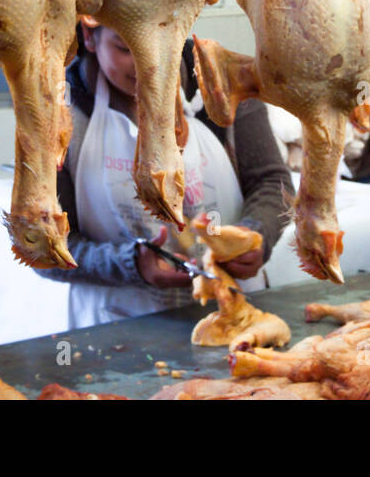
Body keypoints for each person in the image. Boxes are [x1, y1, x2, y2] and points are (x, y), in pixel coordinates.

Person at [39, 21, 295, 326]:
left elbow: (273, 182)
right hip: (115, 329)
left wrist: (256, 236)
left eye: (164, 45)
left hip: (236, 311)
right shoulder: (56, 109)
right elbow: (42, 249)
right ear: (90, 38)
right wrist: (130, 264)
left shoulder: (222, 80)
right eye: (125, 48)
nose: (150, 66)